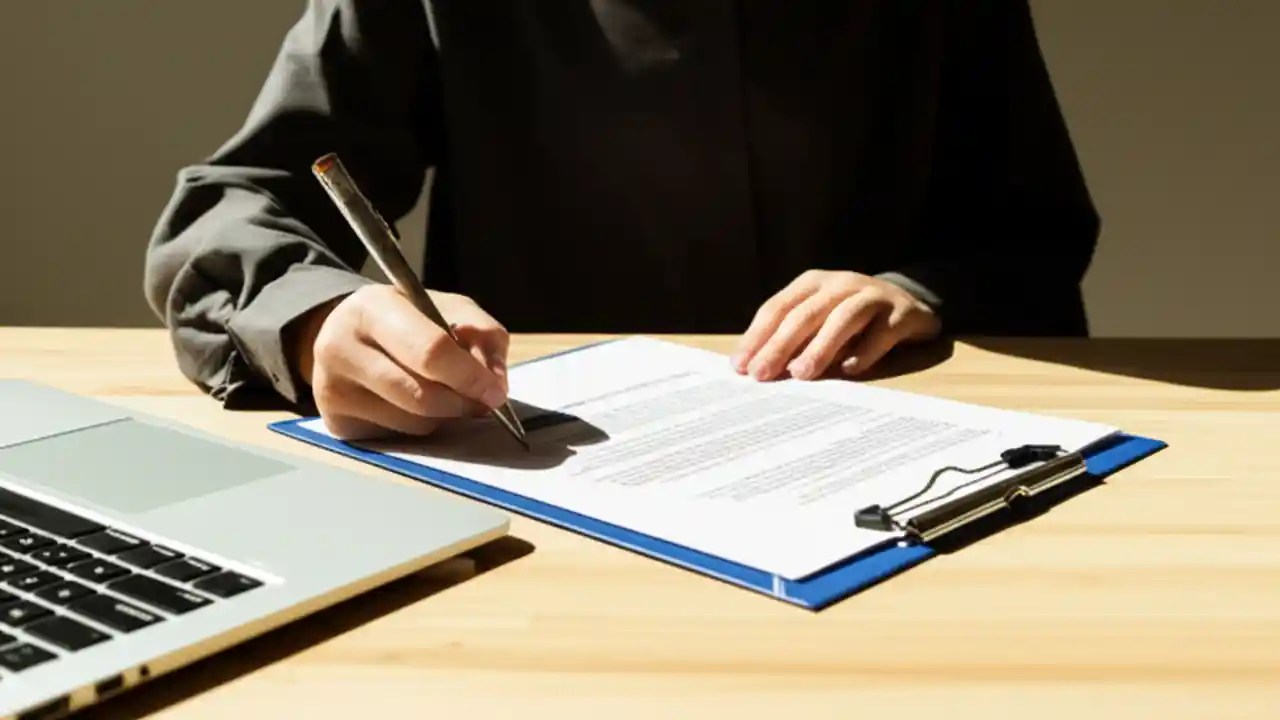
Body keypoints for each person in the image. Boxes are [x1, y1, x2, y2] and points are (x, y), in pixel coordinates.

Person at [144, 0, 1098, 440]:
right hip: (535, 485)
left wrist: (916, 291)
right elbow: (234, 203)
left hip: (882, 472)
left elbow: (1033, 235)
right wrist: (319, 321)